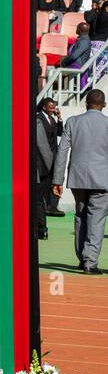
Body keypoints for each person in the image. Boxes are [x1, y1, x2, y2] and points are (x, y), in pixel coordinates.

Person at [52, 88, 108, 275]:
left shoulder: (72, 122)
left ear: (86, 103)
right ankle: (90, 262)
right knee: (96, 219)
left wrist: (57, 180)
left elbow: (62, 152)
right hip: (101, 179)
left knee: (80, 216)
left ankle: (81, 258)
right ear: (104, 105)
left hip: (77, 178)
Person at [36, 98, 64, 241]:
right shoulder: (38, 119)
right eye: (51, 107)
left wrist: (59, 119)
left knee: (49, 190)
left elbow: (60, 133)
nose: (53, 109)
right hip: (41, 163)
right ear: (44, 107)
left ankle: (52, 207)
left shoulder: (52, 120)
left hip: (52, 160)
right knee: (39, 195)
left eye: (54, 107)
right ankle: (41, 226)